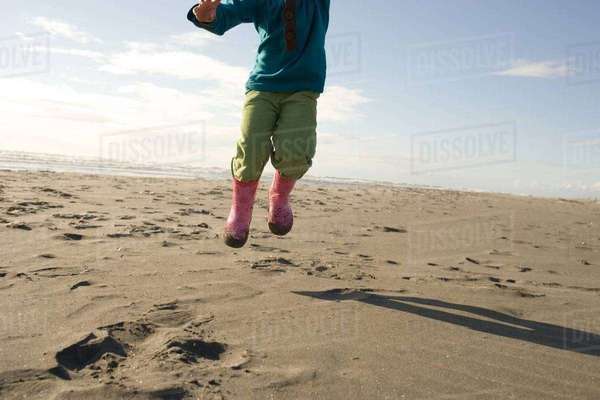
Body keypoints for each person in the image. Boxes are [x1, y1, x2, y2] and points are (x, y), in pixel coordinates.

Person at [187, 0, 330, 248]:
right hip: (263, 86)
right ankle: (240, 211)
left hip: (304, 87)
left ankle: (279, 197)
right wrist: (206, 14)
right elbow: (229, 12)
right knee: (250, 147)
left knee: (296, 150)